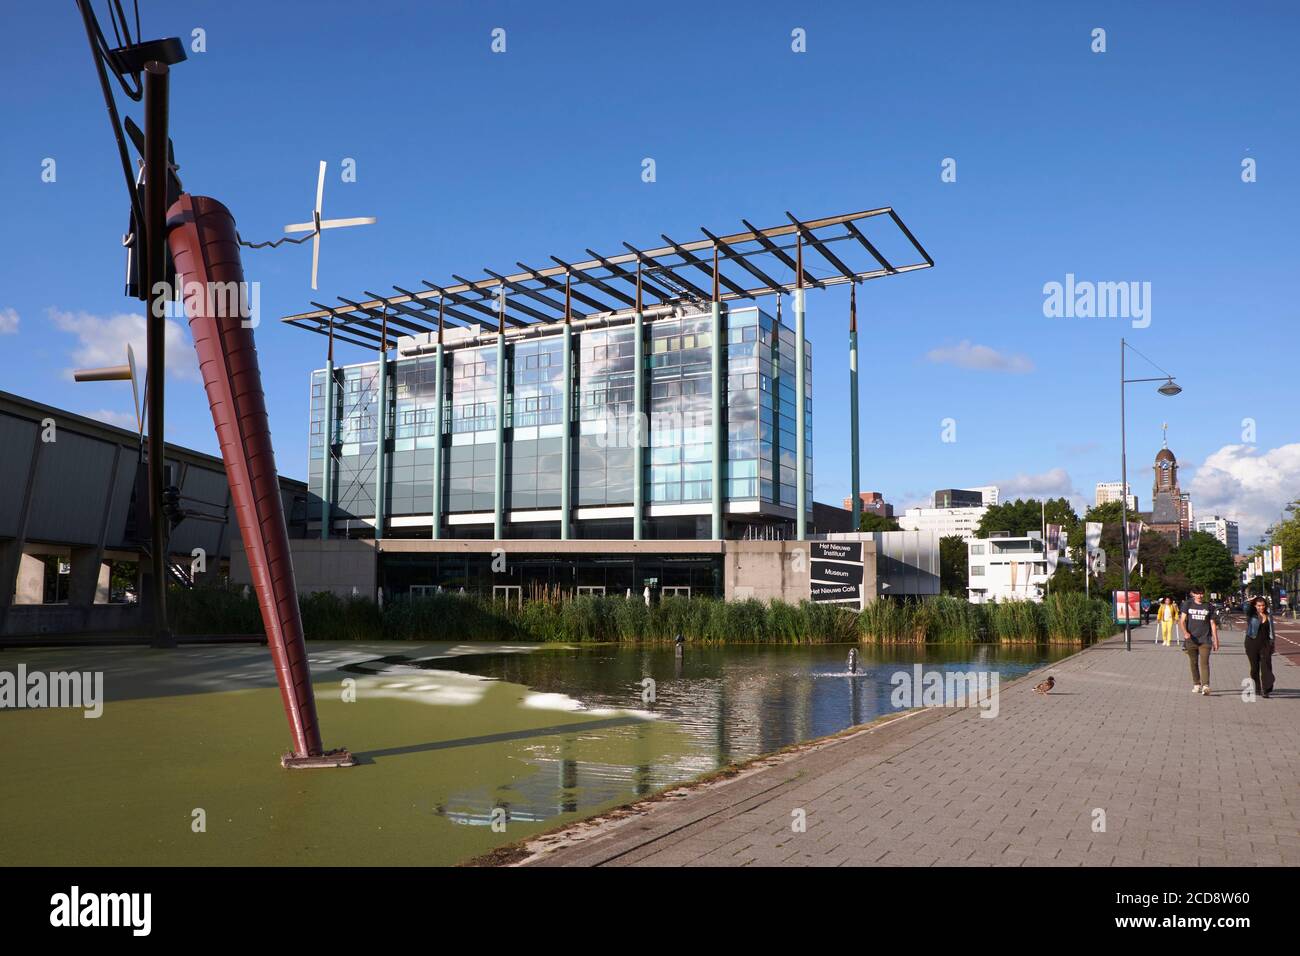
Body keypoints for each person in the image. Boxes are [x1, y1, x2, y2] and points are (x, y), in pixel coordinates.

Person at [1180, 586, 1220, 696]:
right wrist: (1185, 632)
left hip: (1205, 639)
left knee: (1204, 662)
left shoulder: (1209, 606)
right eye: (1197, 593)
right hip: (1191, 639)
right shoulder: (1187, 604)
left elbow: (1212, 623)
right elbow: (1182, 620)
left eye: (1201, 593)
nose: (1200, 596)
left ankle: (1206, 685)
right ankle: (1196, 684)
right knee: (1193, 662)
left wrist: (1216, 640)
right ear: (1193, 594)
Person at [1244, 596, 1275, 699]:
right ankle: (1257, 688)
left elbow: (1271, 630)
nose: (1261, 607)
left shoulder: (1268, 614)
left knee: (1266, 666)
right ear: (1255, 606)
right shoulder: (1251, 614)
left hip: (1265, 644)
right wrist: (1250, 601)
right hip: (1251, 643)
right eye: (1258, 605)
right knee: (1254, 668)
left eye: (1263, 605)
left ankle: (1266, 689)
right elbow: (1246, 608)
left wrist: (1272, 642)